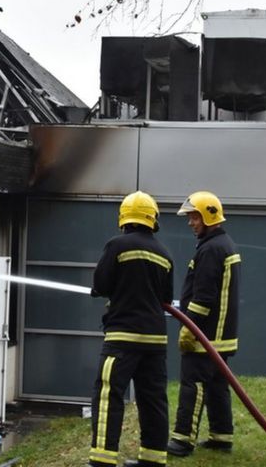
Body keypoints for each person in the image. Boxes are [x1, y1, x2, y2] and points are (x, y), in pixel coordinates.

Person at [88, 191, 172, 467]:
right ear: (152, 219)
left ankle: (102, 458)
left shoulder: (117, 245)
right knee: (153, 399)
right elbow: (166, 300)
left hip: (122, 337)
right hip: (156, 341)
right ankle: (153, 458)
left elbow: (101, 284)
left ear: (124, 218)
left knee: (108, 393)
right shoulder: (165, 254)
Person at [167, 191, 241, 457]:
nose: (190, 223)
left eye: (194, 217)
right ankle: (221, 437)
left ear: (209, 216)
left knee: (193, 384)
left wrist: (190, 327)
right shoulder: (223, 244)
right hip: (219, 335)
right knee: (217, 385)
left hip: (205, 334)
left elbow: (204, 297)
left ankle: (182, 440)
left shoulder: (211, 249)